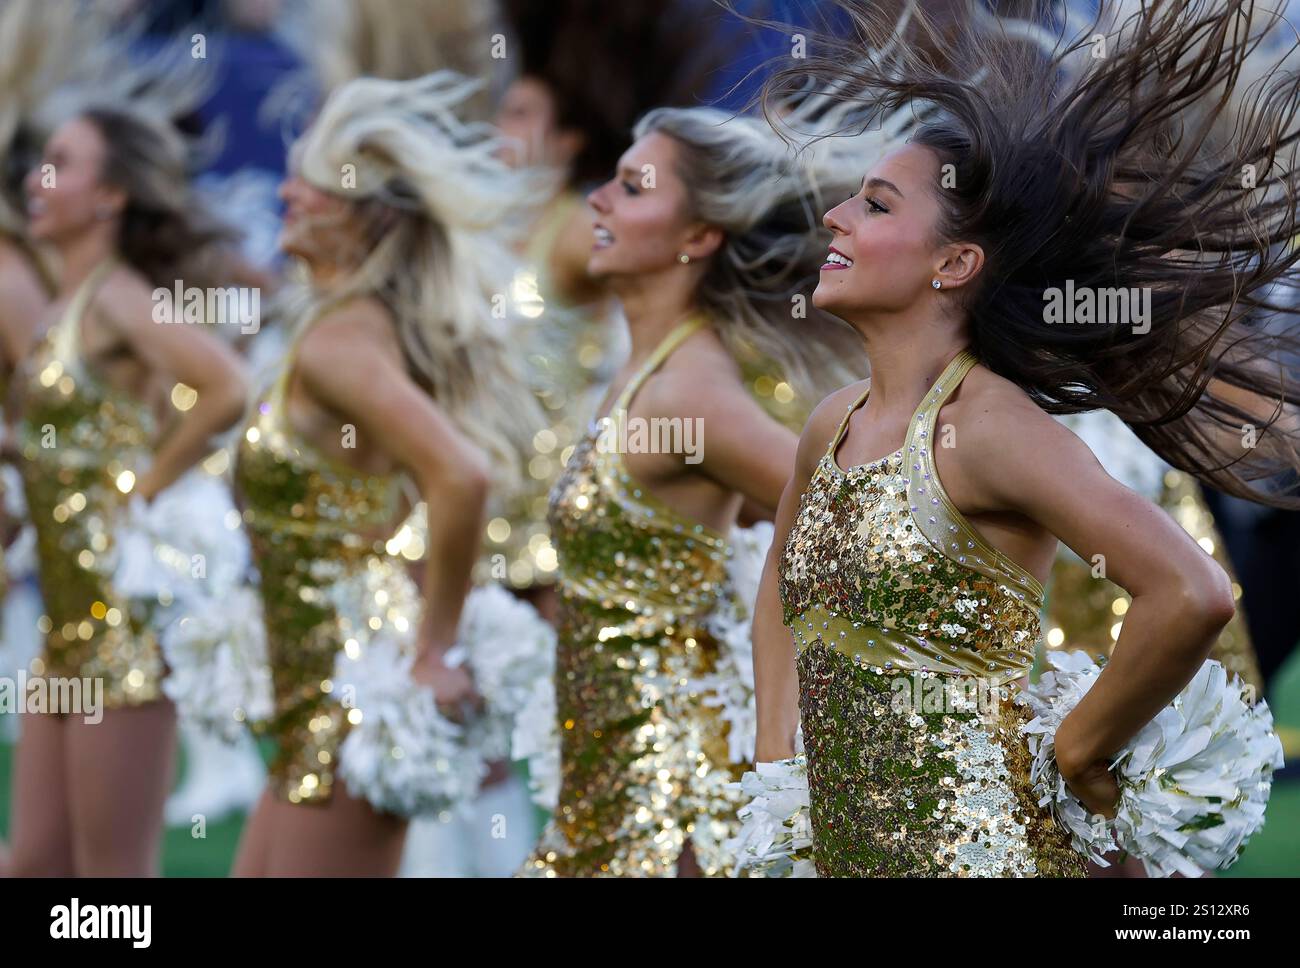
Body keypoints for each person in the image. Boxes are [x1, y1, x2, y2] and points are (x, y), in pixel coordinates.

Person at [750, 0, 1300, 876]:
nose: (836, 218)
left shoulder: (990, 428)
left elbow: (1191, 592)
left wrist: (1080, 749)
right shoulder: (835, 419)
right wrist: (777, 763)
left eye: (876, 203)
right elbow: (779, 583)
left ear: (954, 263)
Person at [520, 100, 869, 877]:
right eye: (607, 183)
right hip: (610, 787)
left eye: (633, 188)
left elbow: (850, 523)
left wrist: (780, 713)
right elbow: (762, 515)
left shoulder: (689, 396)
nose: (598, 202)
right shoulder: (647, 369)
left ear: (699, 236)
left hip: (672, 801)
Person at [230, 72, 542, 877]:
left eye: (318, 185)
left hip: (352, 693)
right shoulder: (341, 327)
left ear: (369, 219)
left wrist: (433, 650)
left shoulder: (344, 345)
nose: (290, 192)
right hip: (317, 690)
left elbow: (462, 475)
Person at [7, 107, 248, 876]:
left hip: (122, 630)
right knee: (40, 868)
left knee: (116, 888)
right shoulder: (61, 302)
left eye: (62, 164)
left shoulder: (117, 296)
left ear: (110, 196)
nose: (37, 181)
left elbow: (225, 386)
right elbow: (68, 444)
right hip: (65, 624)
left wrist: (143, 487)